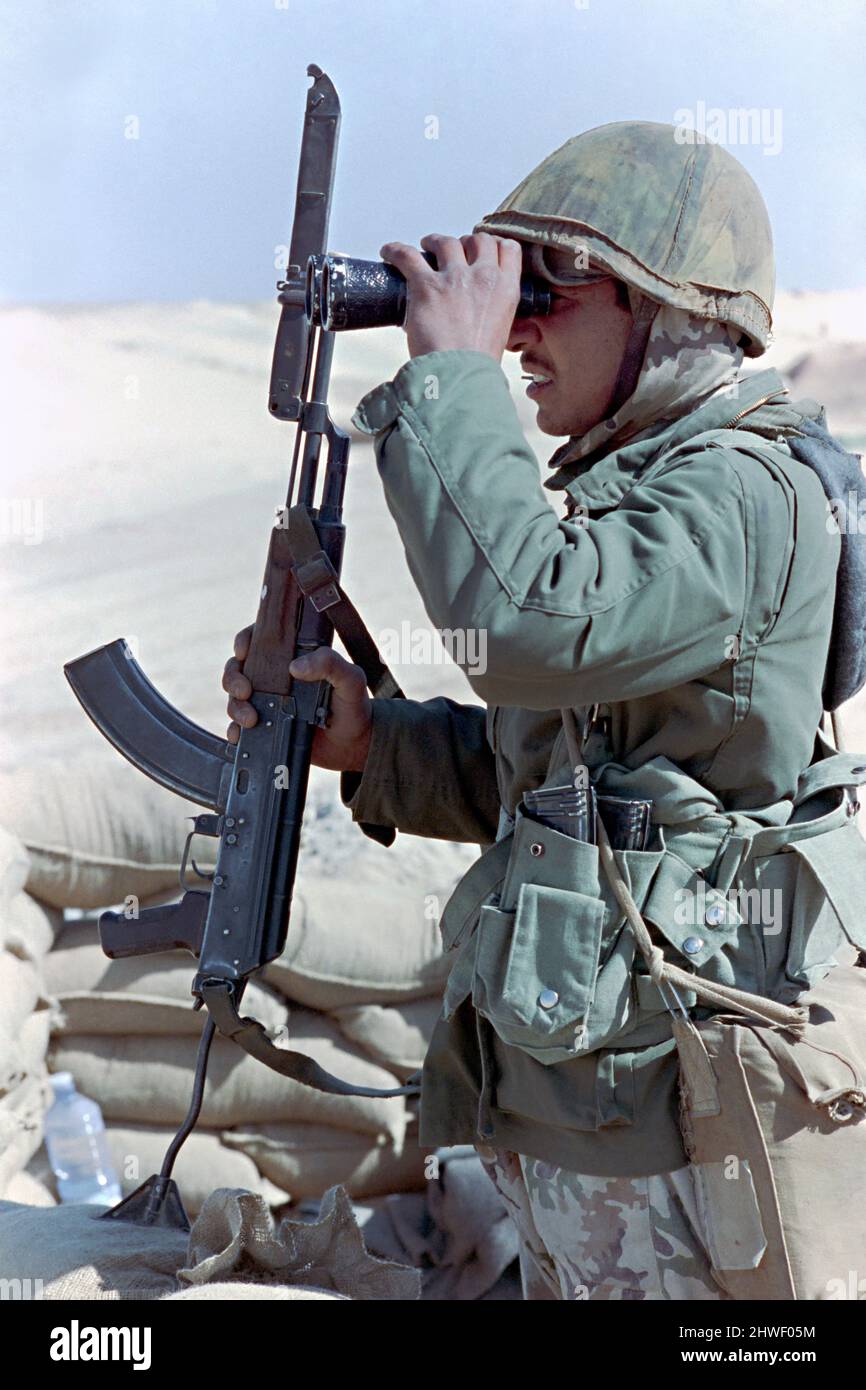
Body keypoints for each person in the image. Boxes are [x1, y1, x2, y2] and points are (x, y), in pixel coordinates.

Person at [223, 122, 866, 1300]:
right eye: (505, 299)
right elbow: (571, 785)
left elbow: (523, 620)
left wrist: (450, 377)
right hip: (589, 1096)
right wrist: (372, 743)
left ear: (661, 308)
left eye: (547, 294)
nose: (515, 331)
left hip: (676, 1122)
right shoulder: (644, 491)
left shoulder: (738, 492)